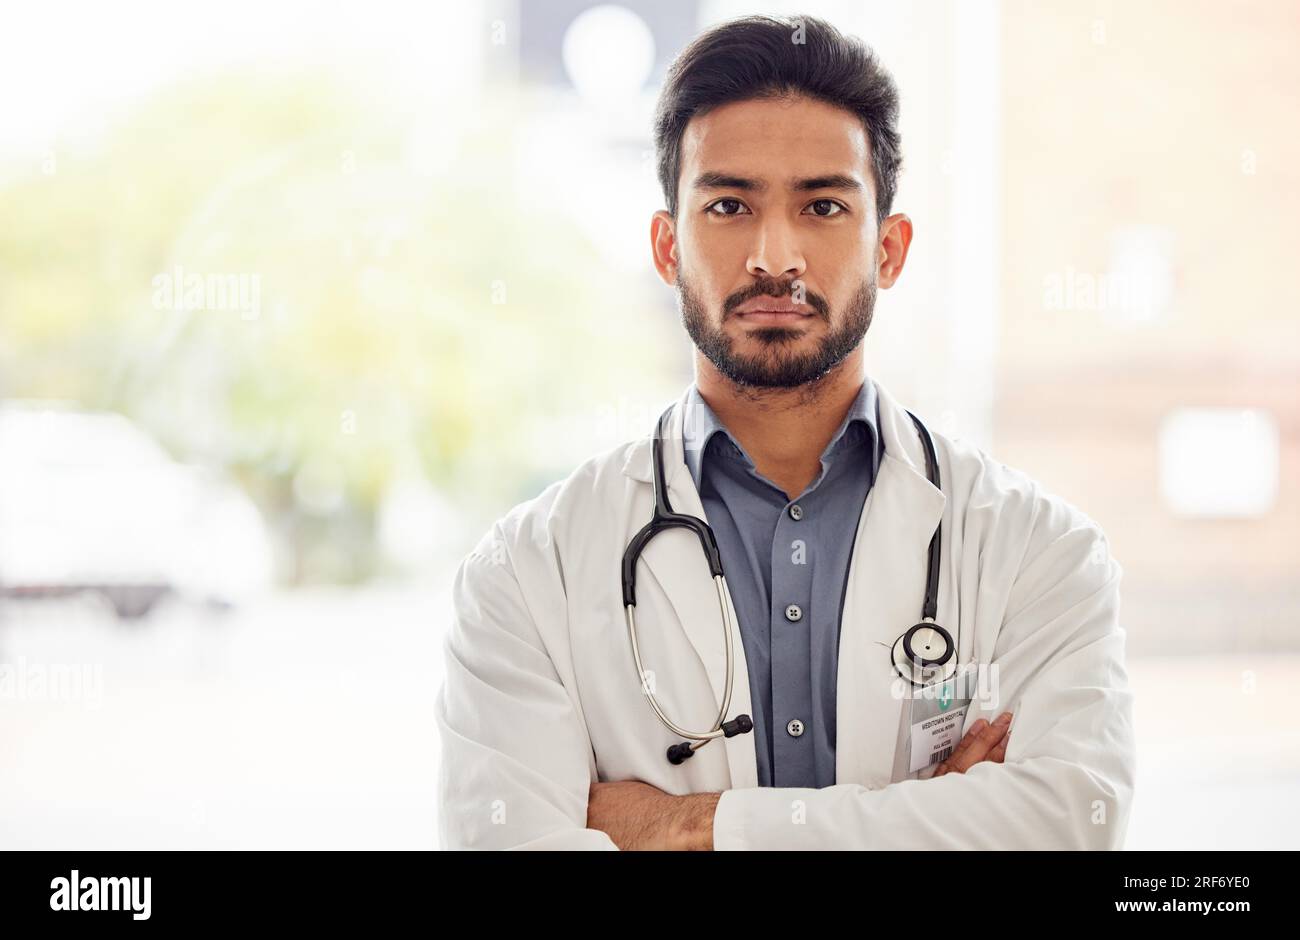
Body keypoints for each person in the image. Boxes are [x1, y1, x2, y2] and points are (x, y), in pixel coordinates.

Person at [435, 14, 1136, 850]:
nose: (775, 256)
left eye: (823, 205)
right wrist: (931, 820)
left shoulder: (1040, 554)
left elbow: (1067, 826)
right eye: (729, 204)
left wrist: (689, 828)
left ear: (890, 249)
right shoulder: (526, 574)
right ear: (667, 246)